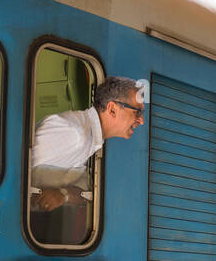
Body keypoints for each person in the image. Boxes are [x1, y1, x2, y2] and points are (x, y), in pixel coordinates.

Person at [30, 75, 145, 212]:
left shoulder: (92, 140)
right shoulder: (73, 133)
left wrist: (63, 194)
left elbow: (84, 190)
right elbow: (17, 168)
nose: (141, 120)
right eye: (138, 112)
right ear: (112, 109)